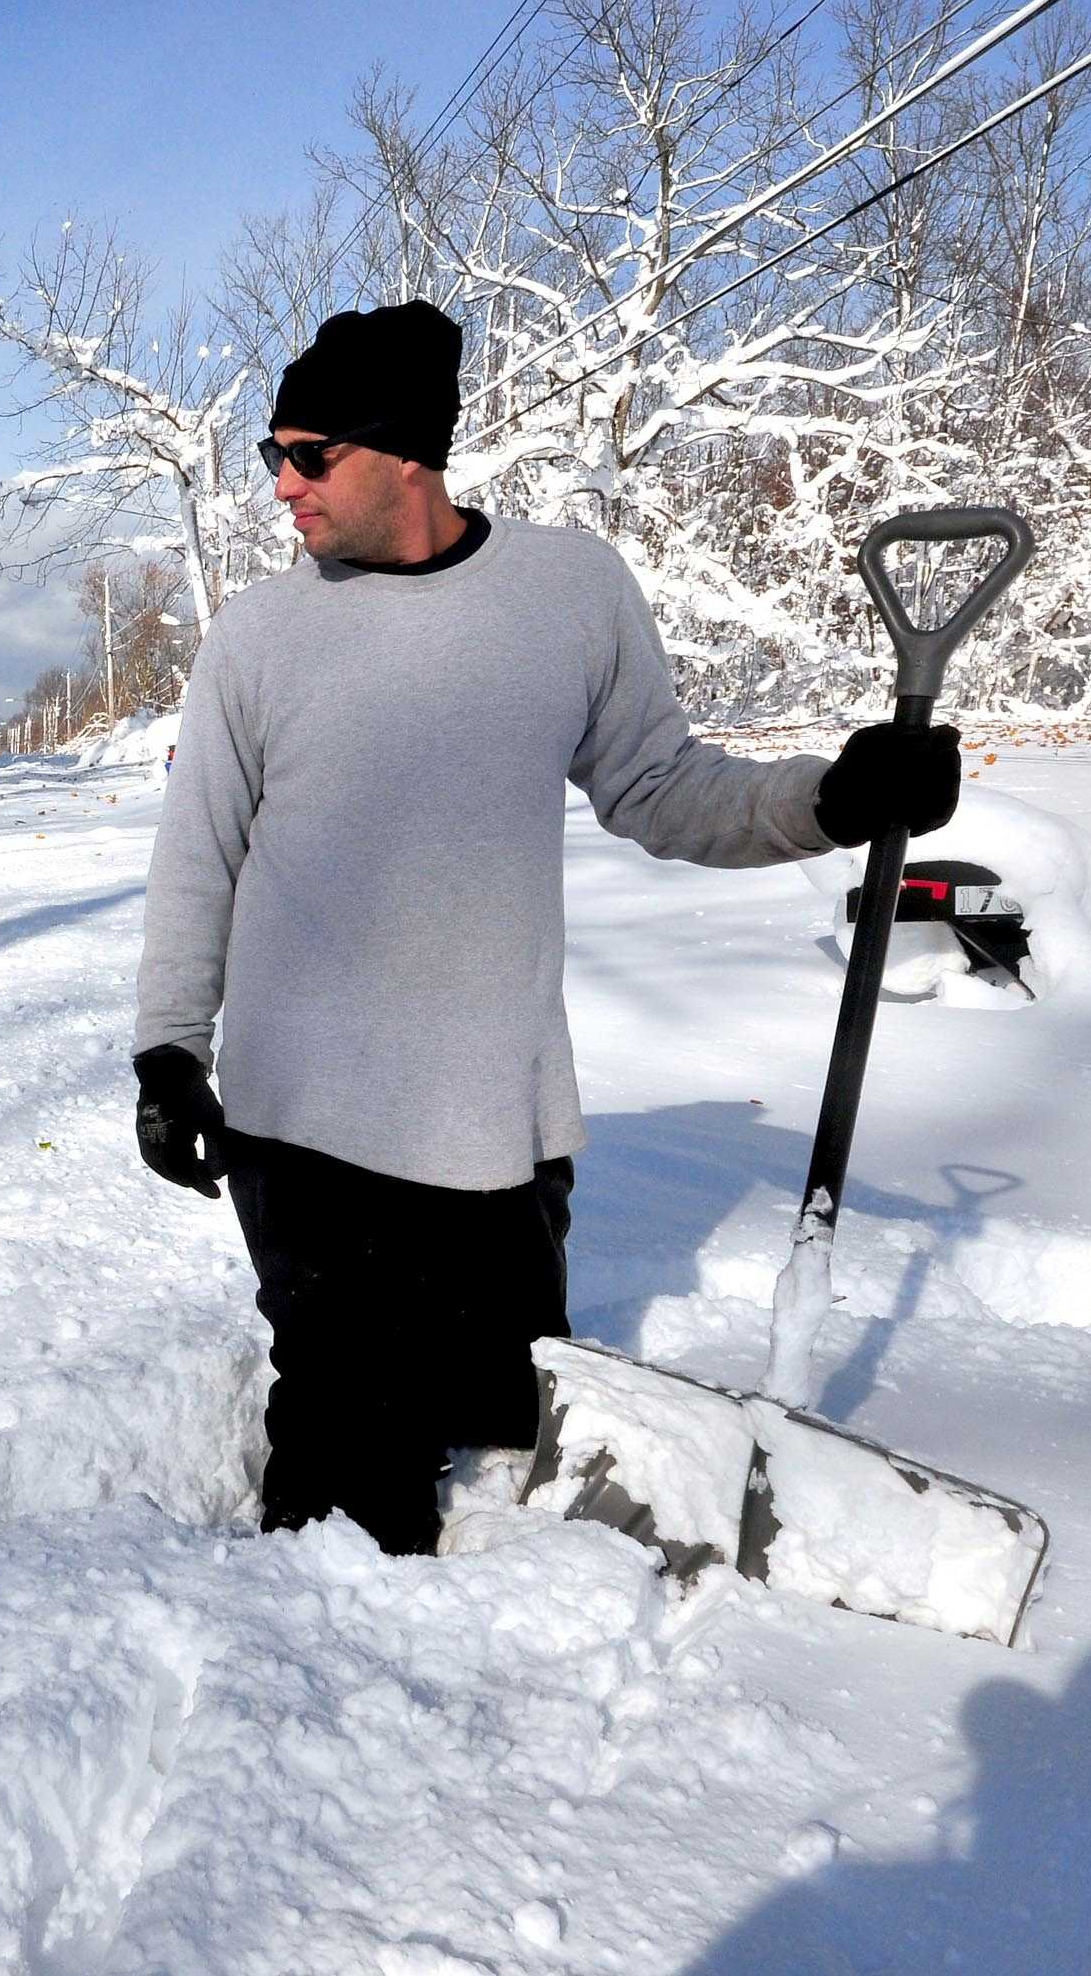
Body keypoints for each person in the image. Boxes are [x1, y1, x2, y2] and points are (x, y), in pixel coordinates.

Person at [131, 299, 959, 1555]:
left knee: (503, 1414)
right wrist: (170, 1049)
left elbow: (662, 786)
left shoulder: (568, 592)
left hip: (489, 1122)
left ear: (404, 451)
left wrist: (833, 800)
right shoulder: (260, 637)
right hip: (306, 1121)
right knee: (353, 1484)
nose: (282, 486)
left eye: (309, 455)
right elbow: (199, 854)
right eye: (272, 456)